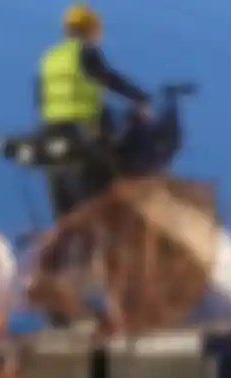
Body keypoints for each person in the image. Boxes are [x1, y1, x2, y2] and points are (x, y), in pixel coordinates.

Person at [37, 5, 155, 218]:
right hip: (81, 135)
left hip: (50, 138)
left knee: (65, 216)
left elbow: (42, 99)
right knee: (105, 195)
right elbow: (109, 78)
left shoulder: (50, 58)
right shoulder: (85, 52)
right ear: (92, 30)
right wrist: (141, 98)